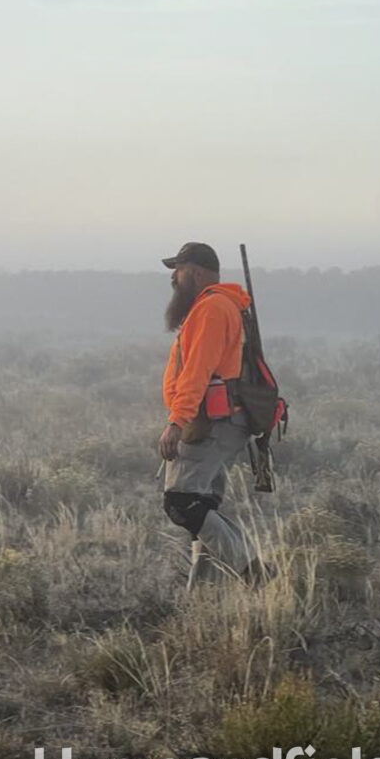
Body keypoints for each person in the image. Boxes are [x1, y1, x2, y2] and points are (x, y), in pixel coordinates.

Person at [158, 241, 255, 587]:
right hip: (219, 420)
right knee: (202, 505)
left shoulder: (211, 309)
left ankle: (252, 571)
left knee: (182, 503)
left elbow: (197, 371)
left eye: (179, 269)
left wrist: (176, 422)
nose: (173, 277)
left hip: (209, 422)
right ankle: (201, 598)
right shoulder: (217, 305)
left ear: (196, 273)